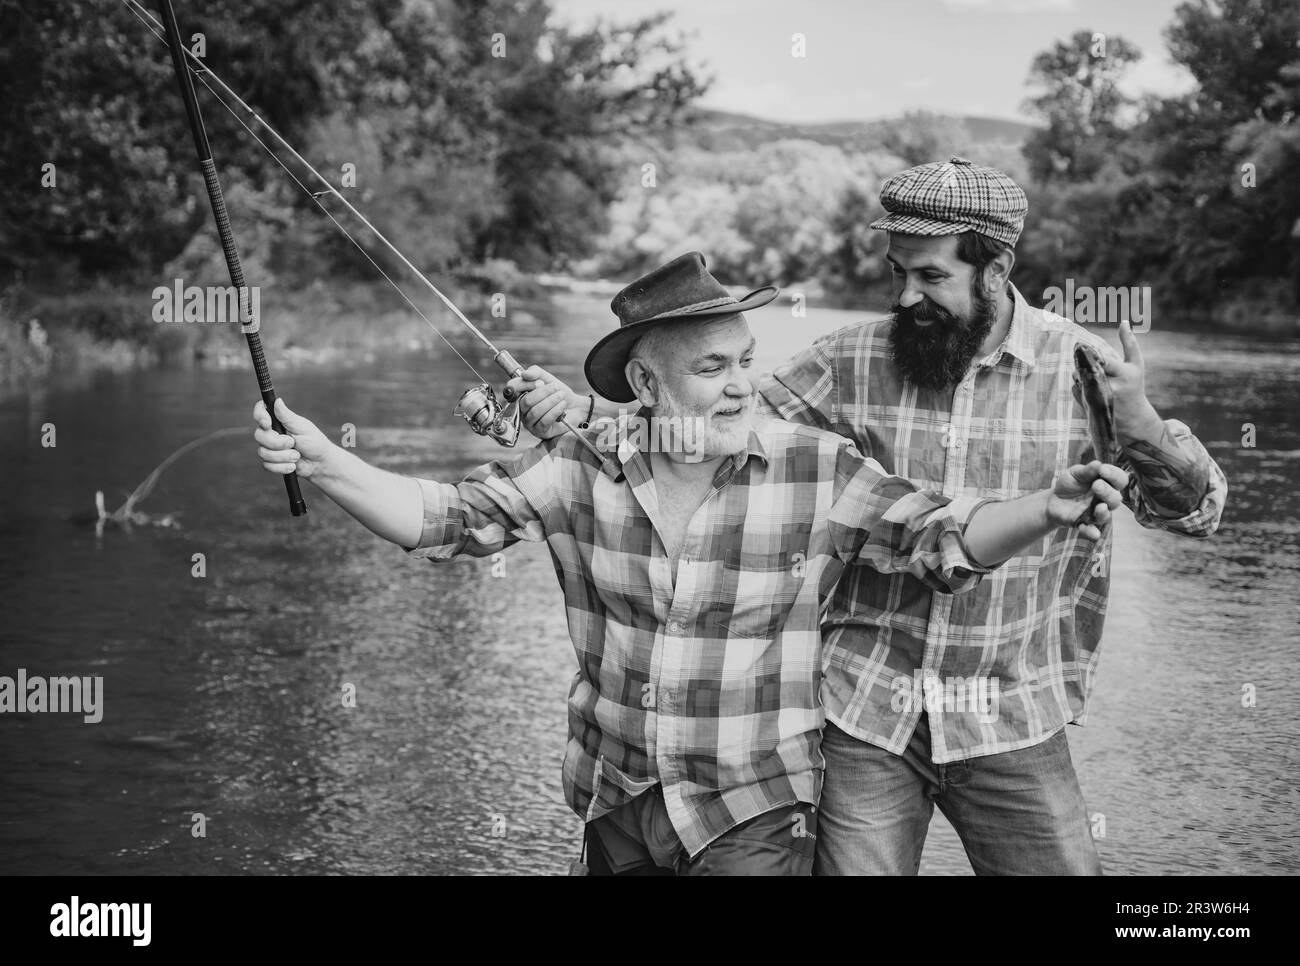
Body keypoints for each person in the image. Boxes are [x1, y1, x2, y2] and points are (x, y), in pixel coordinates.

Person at [255, 251, 1129, 876]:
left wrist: (1045, 511)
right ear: (647, 387)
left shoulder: (810, 466)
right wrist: (326, 461)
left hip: (753, 804)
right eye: (714, 369)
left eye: (747, 361)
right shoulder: (578, 468)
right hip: (617, 801)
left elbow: (945, 535)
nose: (745, 384)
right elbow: (444, 519)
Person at [508, 161, 1227, 876]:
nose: (906, 294)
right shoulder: (850, 358)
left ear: (996, 266)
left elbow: (1194, 515)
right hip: (862, 711)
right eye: (897, 272)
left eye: (932, 276)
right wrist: (580, 414)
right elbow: (710, 421)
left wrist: (1141, 424)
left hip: (1010, 706)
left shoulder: (1083, 366)